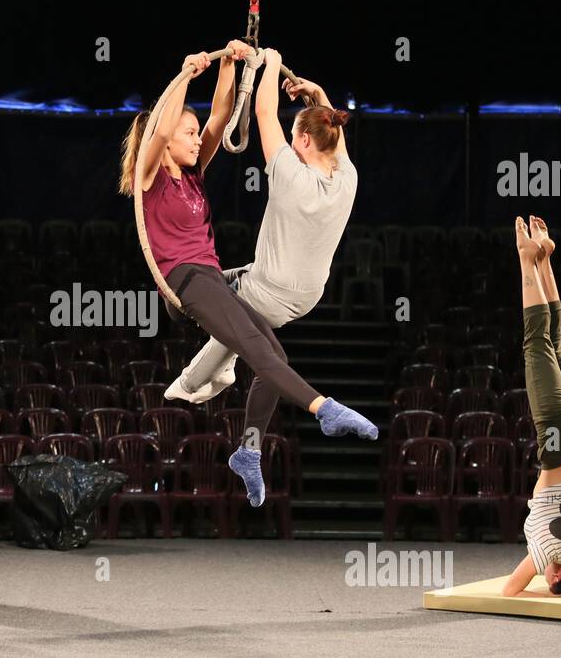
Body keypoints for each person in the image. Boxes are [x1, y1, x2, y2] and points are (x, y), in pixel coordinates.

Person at [119, 43, 377, 508]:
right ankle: (324, 408)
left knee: (270, 352)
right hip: (185, 283)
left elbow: (221, 116)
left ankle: (248, 450)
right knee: (257, 349)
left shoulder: (193, 175)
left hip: (214, 279)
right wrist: (185, 74)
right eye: (189, 133)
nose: (198, 138)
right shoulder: (150, 173)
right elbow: (160, 130)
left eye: (196, 133)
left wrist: (227, 64)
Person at [166, 49, 359, 414]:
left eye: (292, 135)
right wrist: (316, 95)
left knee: (223, 307)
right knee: (220, 285)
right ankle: (216, 371)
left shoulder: (291, 177)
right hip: (306, 295)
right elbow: (334, 135)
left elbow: (263, 112)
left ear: (302, 141)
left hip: (268, 290)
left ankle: (192, 381)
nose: (288, 141)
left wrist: (270, 61)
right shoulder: (348, 178)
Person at [501, 216, 561, 598]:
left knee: (556, 342)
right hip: (560, 440)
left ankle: (545, 259)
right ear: (557, 577)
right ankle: (527, 259)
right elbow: (511, 590)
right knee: (536, 342)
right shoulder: (549, 554)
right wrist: (552, 591)